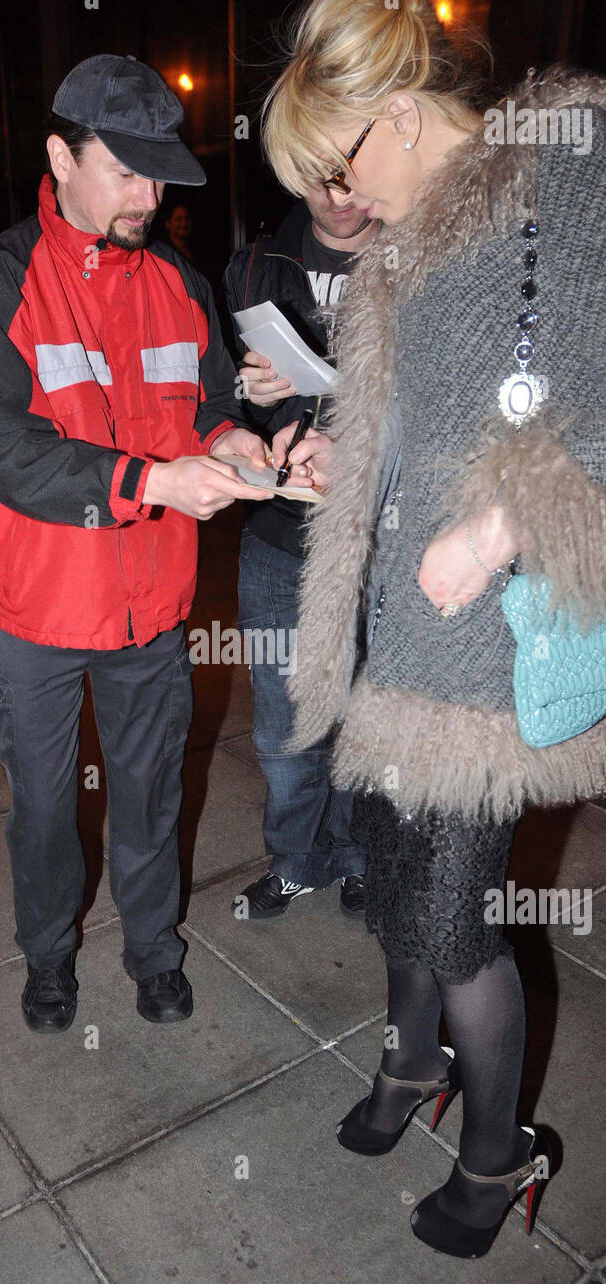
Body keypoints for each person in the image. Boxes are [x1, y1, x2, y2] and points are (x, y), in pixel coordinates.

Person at [262, 0, 606, 1257]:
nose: (338, 200)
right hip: (392, 631)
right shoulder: (402, 251)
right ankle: (413, 1062)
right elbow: (418, 424)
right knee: (396, 894)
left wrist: (501, 525)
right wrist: (338, 461)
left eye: (339, 164)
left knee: (456, 924)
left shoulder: (566, 170)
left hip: (487, 644)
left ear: (399, 116)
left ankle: (502, 1153)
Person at [0, 53, 298, 1033]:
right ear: (60, 158)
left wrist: (231, 444)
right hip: (38, 605)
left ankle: (154, 954)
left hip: (150, 604)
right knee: (45, 808)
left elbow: (212, 403)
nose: (149, 198)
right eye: (126, 173)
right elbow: (7, 452)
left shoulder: (178, 283)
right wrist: (153, 482)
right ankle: (48, 958)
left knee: (148, 795)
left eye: (160, 177)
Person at [223, 186, 375, 921]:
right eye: (318, 175)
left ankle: (361, 858)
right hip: (281, 529)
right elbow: (214, 395)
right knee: (282, 725)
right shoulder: (254, 265)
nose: (337, 194)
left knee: (365, 711)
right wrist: (245, 392)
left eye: (348, 172)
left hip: (377, 530)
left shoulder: (421, 254)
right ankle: (295, 860)